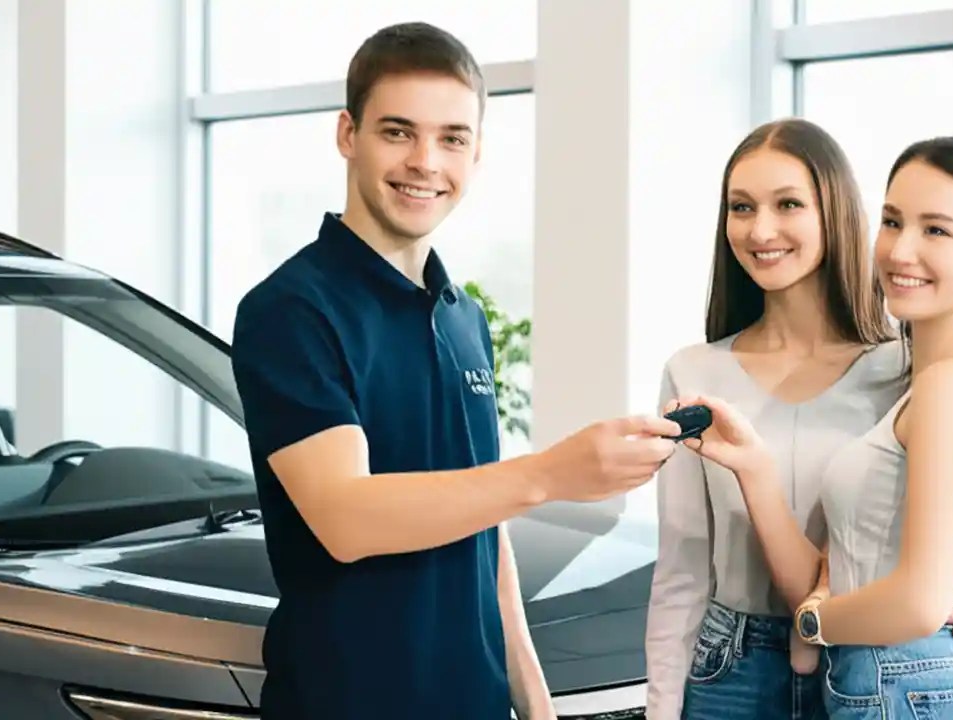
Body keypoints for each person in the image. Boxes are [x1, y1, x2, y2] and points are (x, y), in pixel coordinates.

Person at [228, 22, 682, 720]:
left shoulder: (464, 317)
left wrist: (533, 700)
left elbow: (485, 523)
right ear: (348, 134)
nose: (426, 161)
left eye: (452, 138)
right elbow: (346, 519)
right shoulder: (291, 311)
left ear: (477, 151)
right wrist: (549, 473)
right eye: (398, 131)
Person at [645, 120, 953, 720]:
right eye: (741, 207)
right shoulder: (695, 374)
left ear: (836, 213)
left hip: (863, 661)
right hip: (733, 670)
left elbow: (945, 524)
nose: (760, 229)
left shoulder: (907, 370)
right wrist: (660, 711)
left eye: (788, 204)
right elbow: (681, 574)